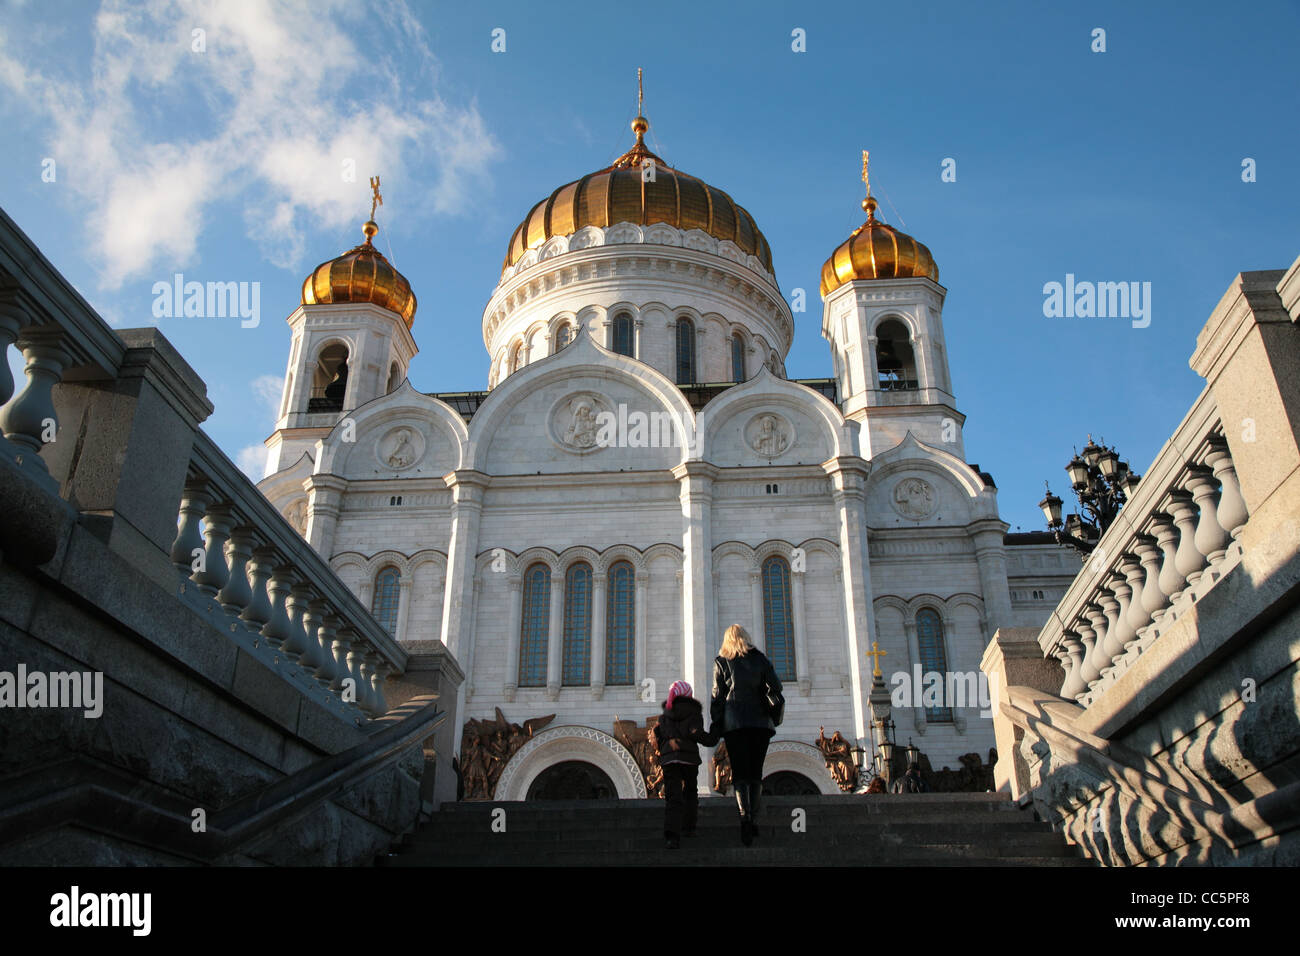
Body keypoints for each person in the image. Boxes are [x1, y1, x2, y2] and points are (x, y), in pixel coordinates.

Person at [711, 623, 783, 846]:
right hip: (760, 723)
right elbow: (775, 687)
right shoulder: (760, 659)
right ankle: (754, 818)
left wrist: (717, 722)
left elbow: (718, 696)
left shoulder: (722, 662)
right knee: (755, 772)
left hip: (735, 725)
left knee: (740, 773)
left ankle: (745, 818)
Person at [650, 680, 719, 849]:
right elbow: (696, 733)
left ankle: (672, 837)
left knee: (673, 797)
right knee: (690, 793)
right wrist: (713, 737)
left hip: (669, 760)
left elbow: (658, 733)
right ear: (688, 694)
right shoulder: (693, 713)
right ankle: (688, 828)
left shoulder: (665, 716)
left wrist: (664, 748)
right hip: (688, 759)